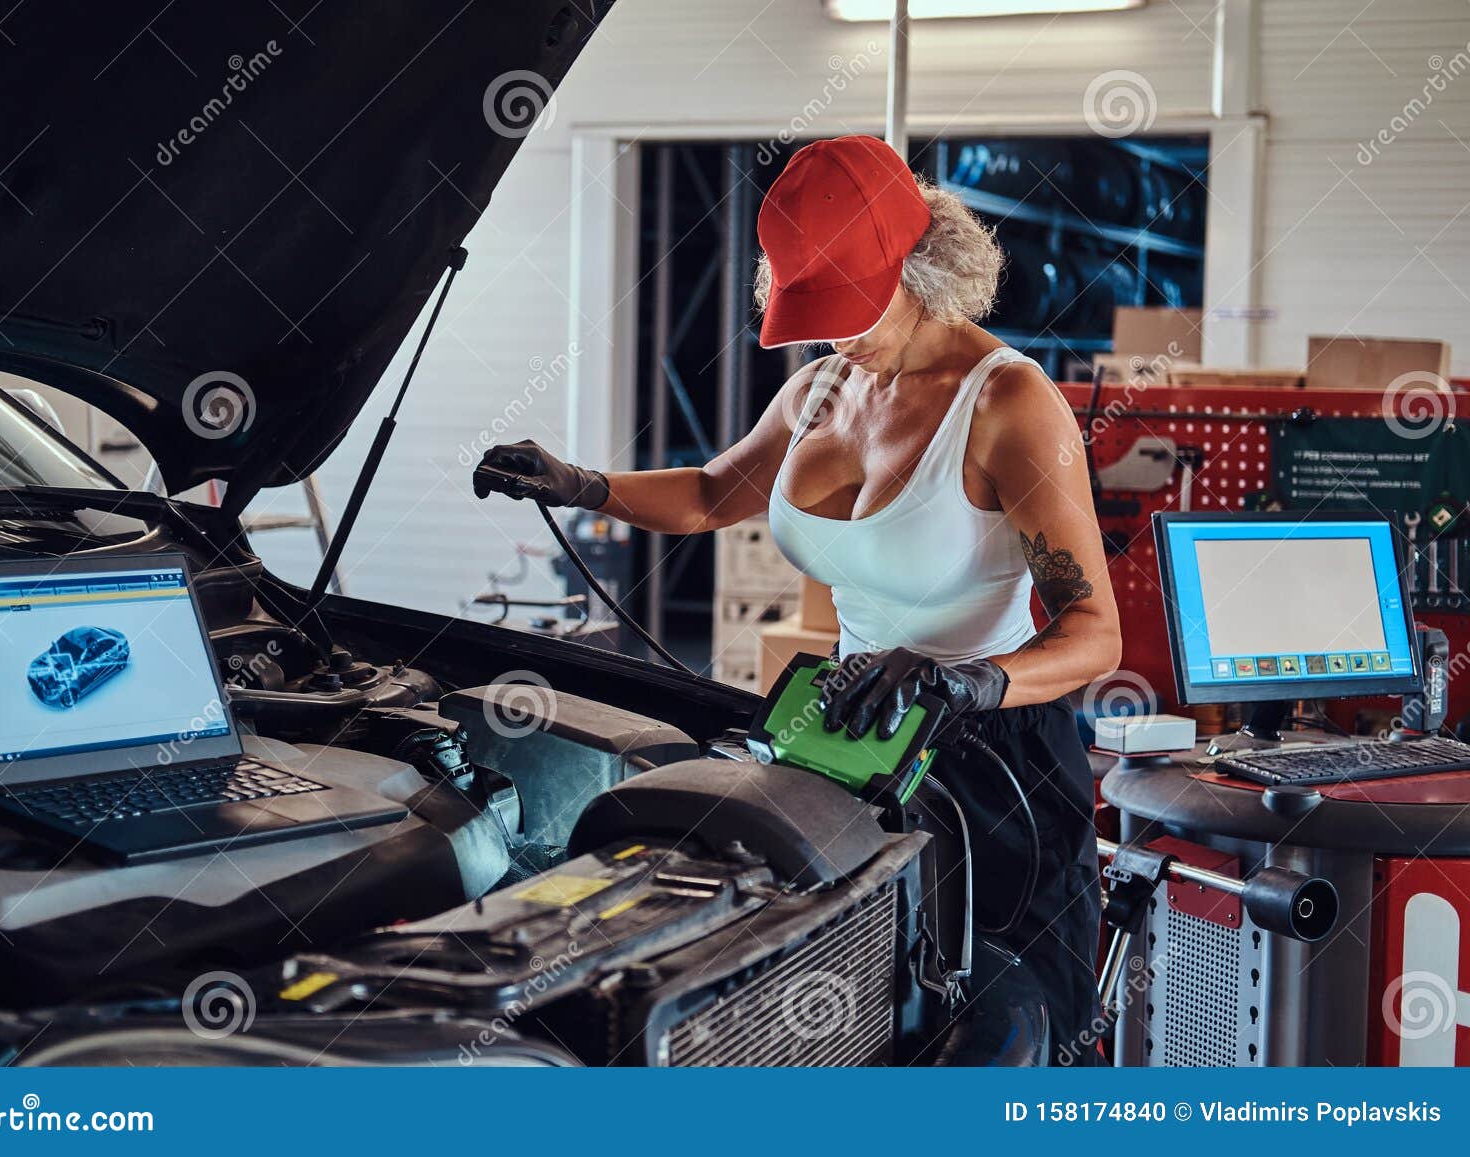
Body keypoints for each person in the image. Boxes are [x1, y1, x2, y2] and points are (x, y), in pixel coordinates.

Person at [474, 135, 1120, 1065]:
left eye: (851, 308)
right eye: (816, 313)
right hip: (849, 742)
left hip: (995, 762)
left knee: (1012, 1037)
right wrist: (580, 484)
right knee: (851, 1022)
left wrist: (963, 678)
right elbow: (710, 494)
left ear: (921, 262)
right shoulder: (819, 391)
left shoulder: (1008, 403)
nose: (835, 337)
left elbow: (1096, 636)